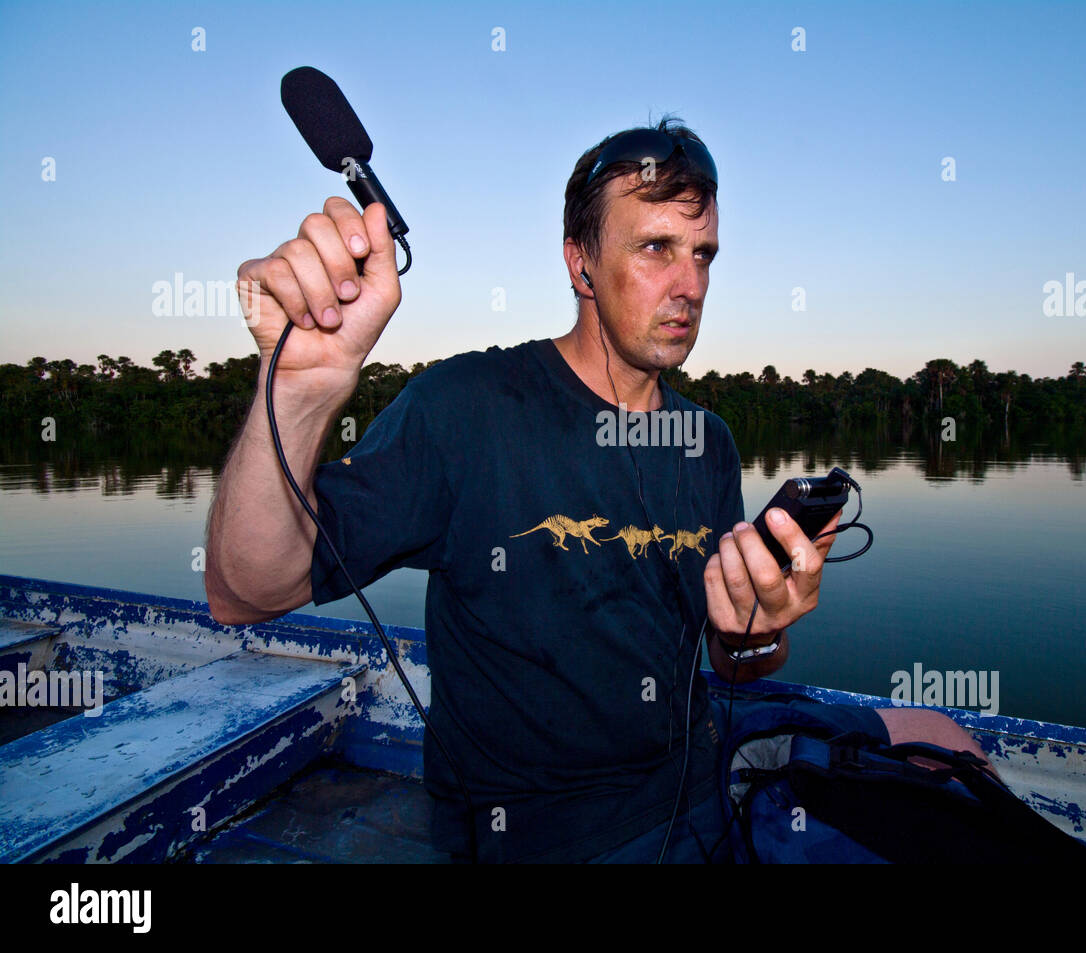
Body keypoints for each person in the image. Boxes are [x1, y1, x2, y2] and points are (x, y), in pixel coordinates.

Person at [204, 117, 997, 863]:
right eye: (656, 248)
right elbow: (248, 589)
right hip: (560, 829)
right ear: (579, 261)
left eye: (705, 253)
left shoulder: (707, 441)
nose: (689, 284)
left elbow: (735, 659)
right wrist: (299, 393)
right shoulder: (464, 407)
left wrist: (759, 629)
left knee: (946, 739)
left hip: (707, 755)